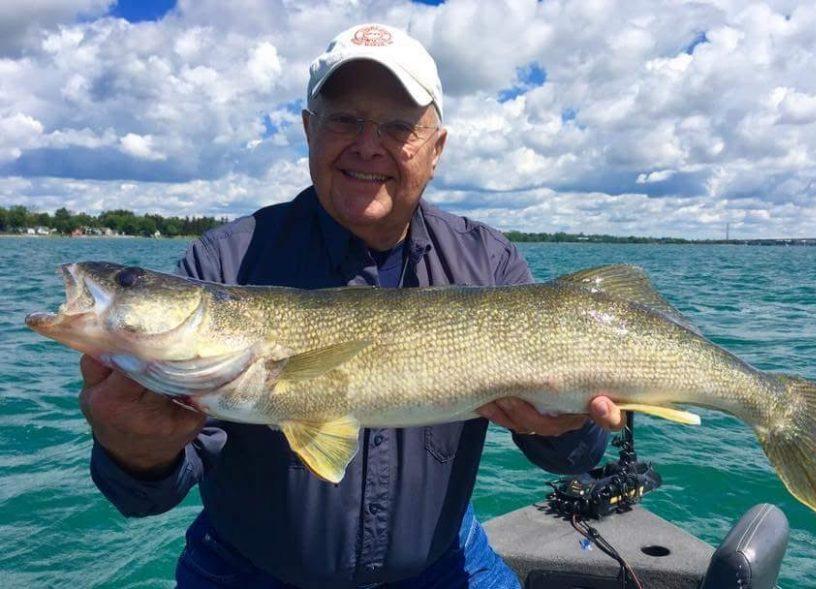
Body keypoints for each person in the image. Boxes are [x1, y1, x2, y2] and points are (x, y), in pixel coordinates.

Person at [79, 23, 628, 588]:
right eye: (344, 119)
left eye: (398, 126)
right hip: (245, 571)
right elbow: (147, 495)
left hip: (443, 565)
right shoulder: (221, 266)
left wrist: (566, 429)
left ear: (435, 149)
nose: (368, 144)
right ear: (308, 131)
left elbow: (573, 459)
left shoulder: (490, 262)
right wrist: (133, 449)